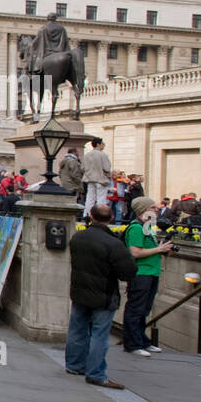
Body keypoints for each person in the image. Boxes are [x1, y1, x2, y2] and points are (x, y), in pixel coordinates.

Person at [66, 204, 138, 388]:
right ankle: (96, 373)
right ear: (111, 218)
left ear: (91, 216)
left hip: (80, 291)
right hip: (103, 294)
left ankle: (74, 365)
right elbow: (127, 272)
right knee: (99, 334)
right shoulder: (113, 243)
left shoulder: (78, 237)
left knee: (77, 329)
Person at [122, 197, 171, 356]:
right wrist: (158, 250)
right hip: (141, 273)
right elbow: (135, 252)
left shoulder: (147, 227)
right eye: (153, 207)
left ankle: (142, 340)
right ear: (143, 209)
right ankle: (133, 344)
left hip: (151, 273)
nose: (156, 209)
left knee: (144, 309)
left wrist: (162, 249)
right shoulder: (136, 228)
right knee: (136, 309)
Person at [82, 138, 113, 218]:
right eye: (102, 143)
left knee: (90, 198)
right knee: (101, 199)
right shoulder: (102, 154)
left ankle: (87, 215)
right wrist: (109, 175)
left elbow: (82, 168)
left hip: (89, 179)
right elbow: (106, 168)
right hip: (101, 179)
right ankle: (100, 215)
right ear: (98, 144)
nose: (104, 145)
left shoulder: (87, 155)